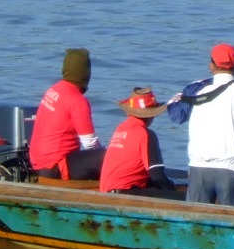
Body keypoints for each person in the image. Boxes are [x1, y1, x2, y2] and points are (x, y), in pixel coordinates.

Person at [164, 43, 234, 207]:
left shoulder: (195, 89)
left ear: (211, 65)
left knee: (196, 225)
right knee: (233, 226)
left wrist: (173, 99)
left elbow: (176, 116)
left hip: (200, 168)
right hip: (232, 171)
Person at [28, 48, 104, 180]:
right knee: (110, 157)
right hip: (55, 166)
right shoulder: (77, 100)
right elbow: (89, 143)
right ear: (86, 74)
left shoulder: (54, 89)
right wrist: (104, 153)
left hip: (38, 162)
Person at [99, 88, 175, 194]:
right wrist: (172, 191)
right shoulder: (146, 134)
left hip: (107, 190)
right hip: (124, 193)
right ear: (152, 115)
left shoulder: (120, 128)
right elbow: (157, 175)